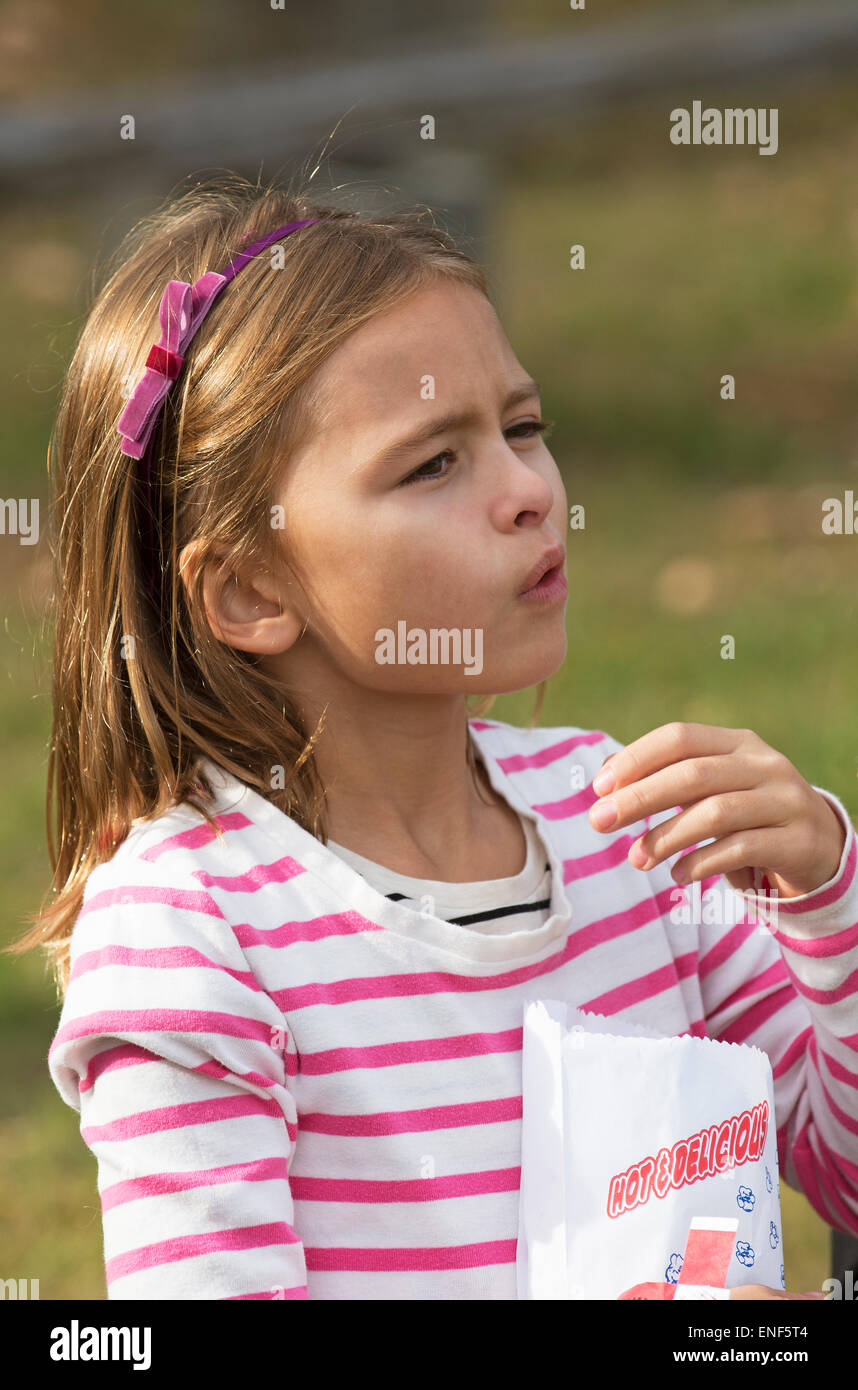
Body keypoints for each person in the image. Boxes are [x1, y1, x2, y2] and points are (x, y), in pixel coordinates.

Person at [11, 171, 857, 1300]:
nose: (531, 491)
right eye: (435, 462)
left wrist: (825, 893)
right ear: (252, 591)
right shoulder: (196, 930)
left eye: (523, 426)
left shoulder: (630, 828)